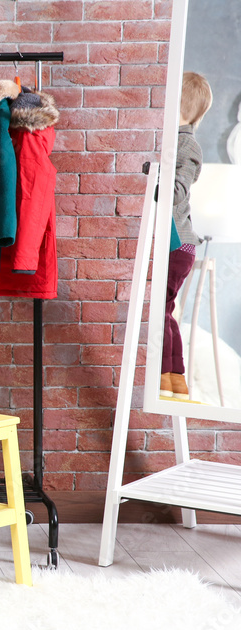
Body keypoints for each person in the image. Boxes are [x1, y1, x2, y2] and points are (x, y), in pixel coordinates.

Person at [162, 71, 213, 400]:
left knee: (160, 312)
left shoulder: (185, 144)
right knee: (164, 310)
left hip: (178, 243)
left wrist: (158, 183)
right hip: (176, 243)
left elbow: (177, 190)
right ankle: (173, 378)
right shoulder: (175, 141)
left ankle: (169, 375)